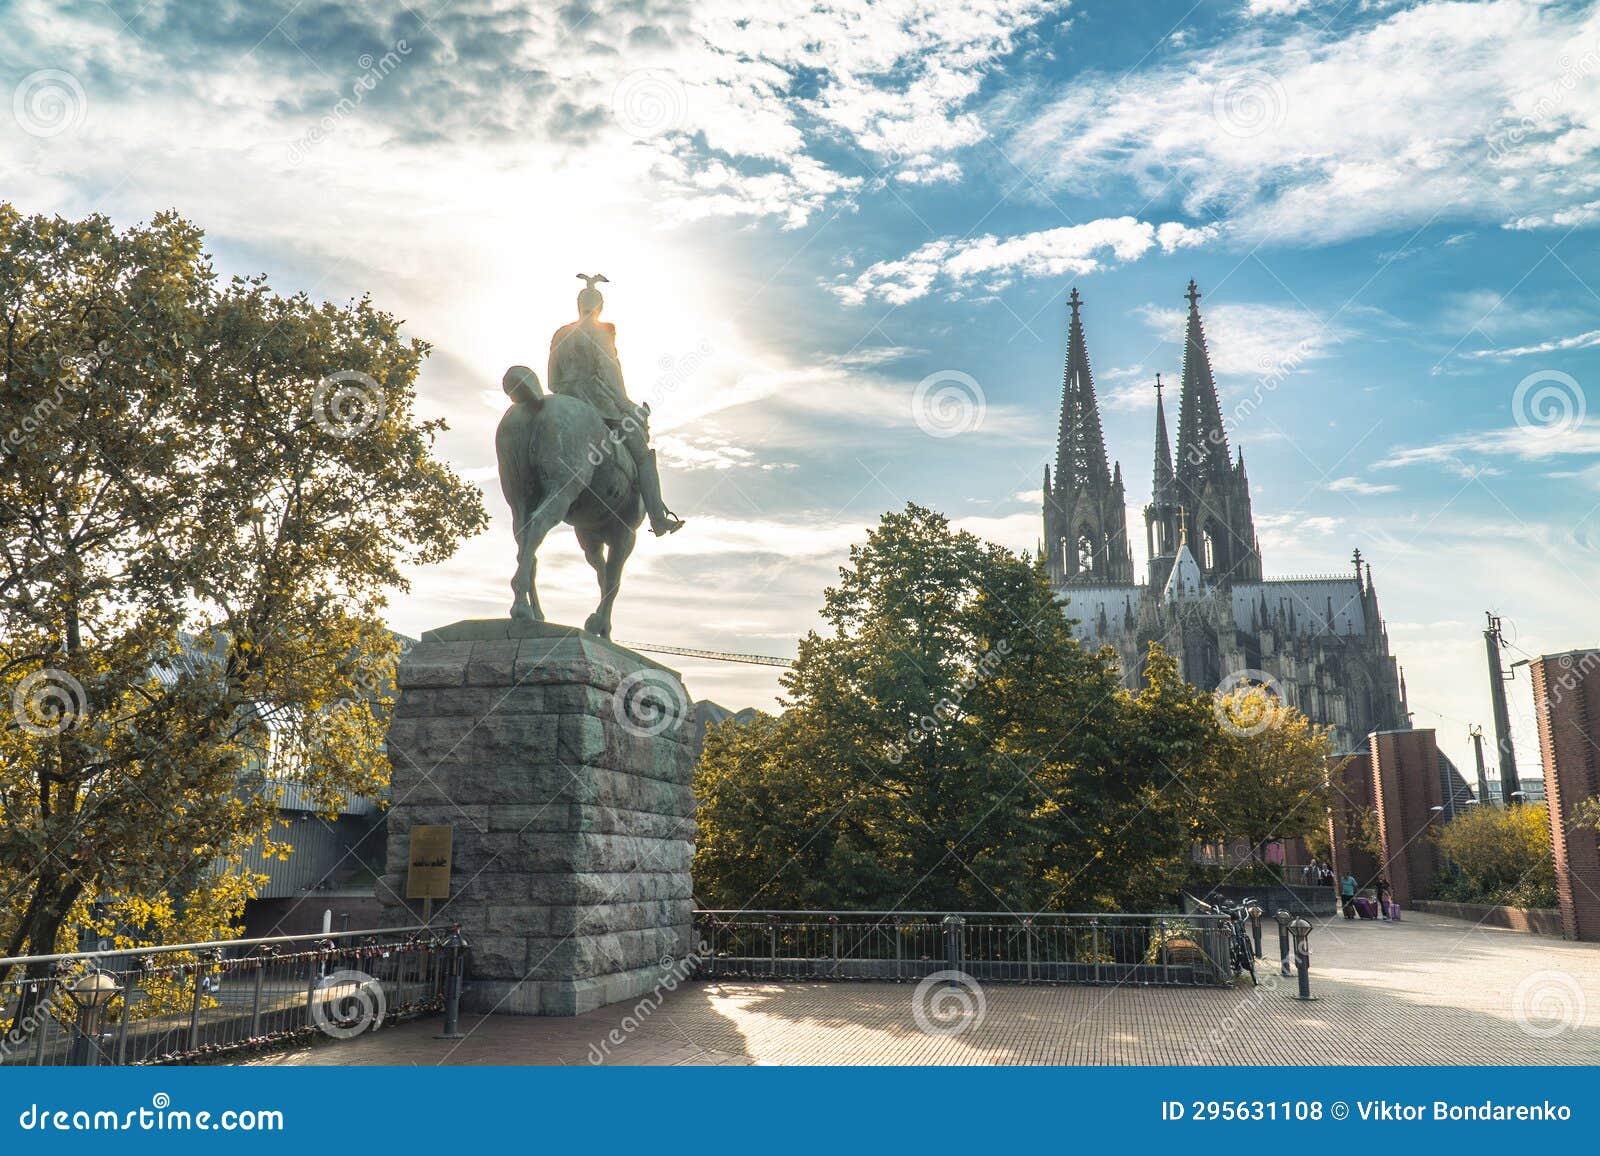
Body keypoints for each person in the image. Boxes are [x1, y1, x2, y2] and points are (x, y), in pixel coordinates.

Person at [547, 273, 685, 537]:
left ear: (579, 305)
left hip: (564, 399)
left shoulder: (561, 333)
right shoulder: (603, 330)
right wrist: (629, 406)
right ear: (600, 307)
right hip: (601, 404)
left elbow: (552, 380)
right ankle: (658, 518)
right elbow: (610, 373)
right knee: (643, 458)